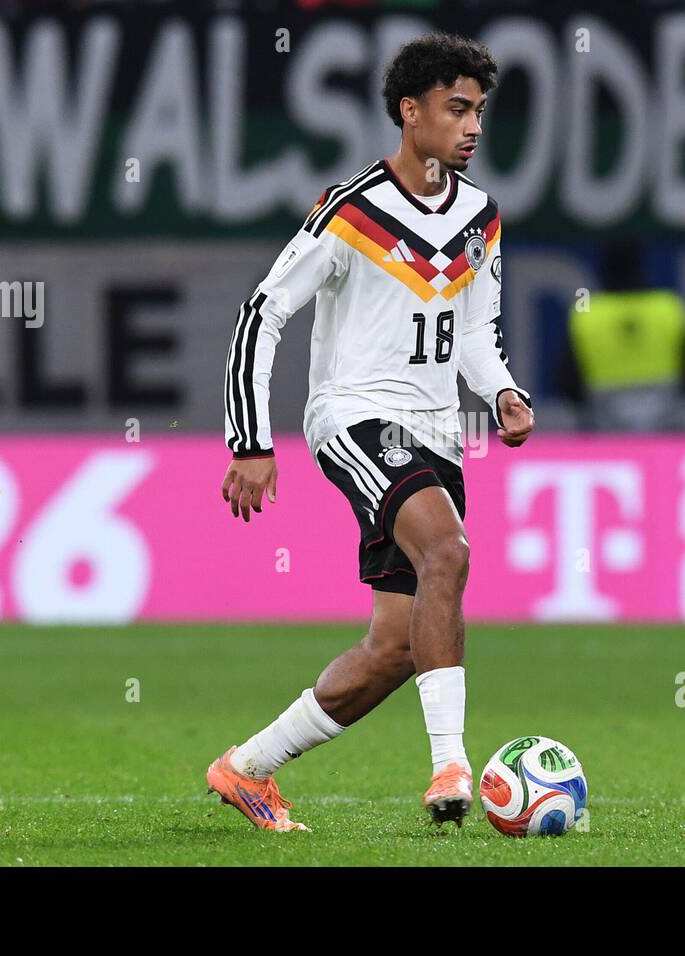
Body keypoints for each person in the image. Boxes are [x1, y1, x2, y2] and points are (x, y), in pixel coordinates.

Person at [210, 32, 534, 831]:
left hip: (438, 430)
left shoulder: (481, 218)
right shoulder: (353, 210)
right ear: (410, 110)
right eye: (457, 109)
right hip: (355, 414)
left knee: (395, 646)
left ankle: (247, 768)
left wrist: (503, 393)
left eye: (480, 112)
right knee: (449, 553)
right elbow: (265, 311)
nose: (473, 127)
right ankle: (450, 765)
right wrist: (250, 440)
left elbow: (475, 337)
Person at [555, 241, 685, 431]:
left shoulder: (587, 314)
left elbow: (568, 384)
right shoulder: (669, 308)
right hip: (665, 430)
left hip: (606, 433)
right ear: (640, 267)